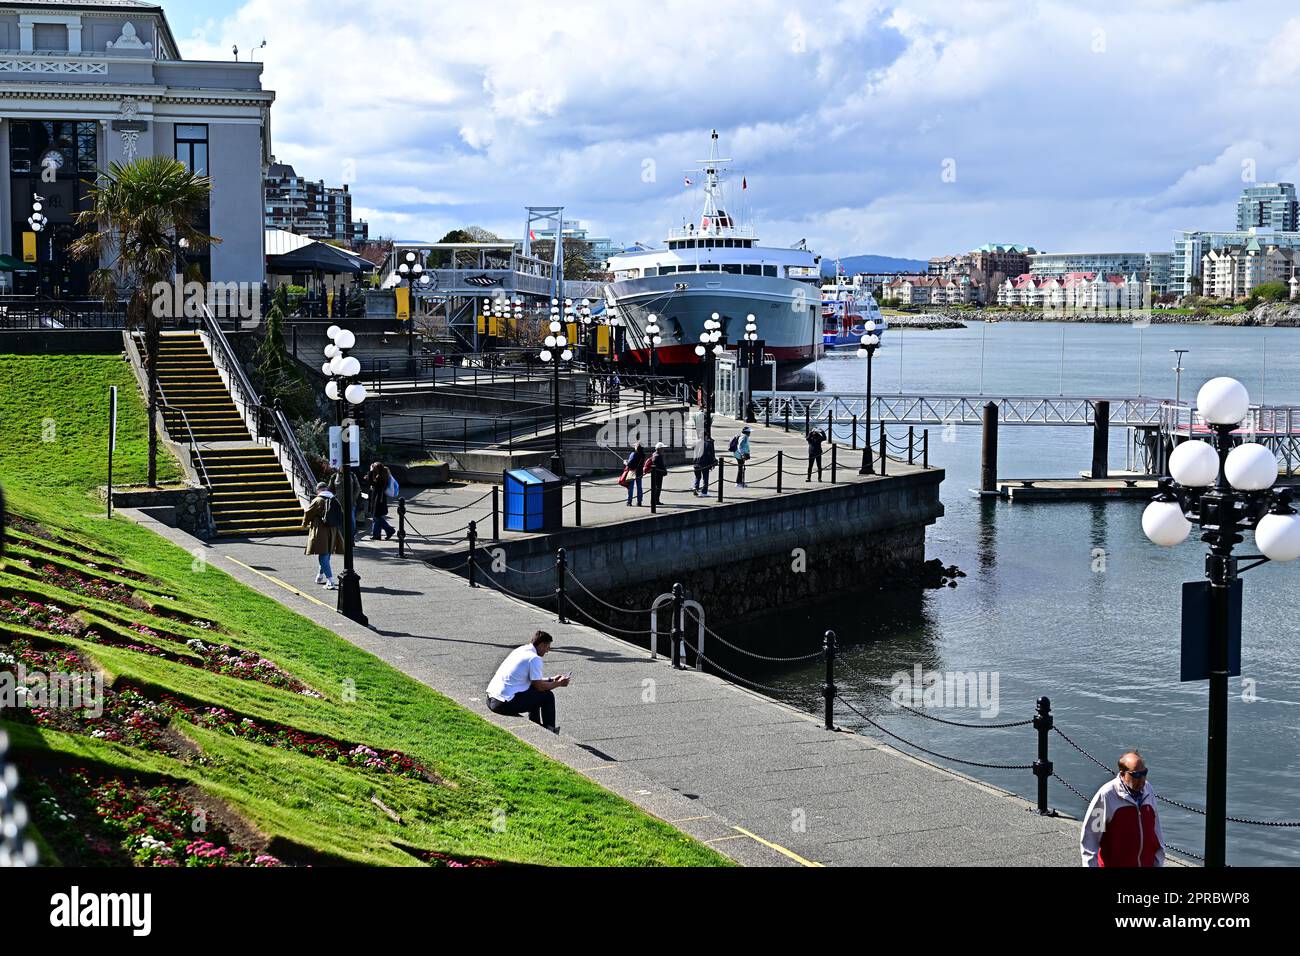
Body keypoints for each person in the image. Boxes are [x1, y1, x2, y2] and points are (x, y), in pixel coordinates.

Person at [1080, 751, 1166, 867]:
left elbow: (1155, 830)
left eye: (1144, 773)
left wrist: (1158, 862)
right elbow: (1091, 836)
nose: (1142, 779)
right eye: (1136, 775)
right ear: (1123, 774)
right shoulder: (1106, 796)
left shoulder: (1148, 790)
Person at [485, 631, 569, 732]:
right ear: (542, 645)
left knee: (534, 692)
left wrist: (551, 679)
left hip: (491, 698)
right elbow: (539, 687)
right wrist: (559, 683)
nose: (548, 651)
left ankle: (536, 725)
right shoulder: (534, 658)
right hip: (502, 704)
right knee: (547, 696)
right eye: (548, 647)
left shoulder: (521, 650)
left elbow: (531, 680)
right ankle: (550, 730)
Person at [302, 481, 344, 590]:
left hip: (321, 531)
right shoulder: (334, 499)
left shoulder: (317, 500)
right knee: (327, 554)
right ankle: (320, 576)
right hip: (333, 531)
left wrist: (304, 524)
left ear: (318, 490)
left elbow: (308, 513)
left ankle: (330, 581)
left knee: (323, 556)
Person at [326, 467, 362, 540]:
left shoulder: (352, 475)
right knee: (340, 522)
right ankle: (343, 540)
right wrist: (335, 497)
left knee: (352, 522)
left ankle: (351, 539)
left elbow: (357, 488)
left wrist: (353, 498)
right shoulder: (334, 476)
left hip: (351, 504)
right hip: (338, 504)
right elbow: (330, 489)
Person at [368, 461, 397, 540]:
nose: (372, 468)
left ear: (377, 468)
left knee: (377, 517)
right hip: (377, 498)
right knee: (375, 517)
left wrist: (370, 472)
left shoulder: (381, 477)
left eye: (373, 467)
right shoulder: (380, 475)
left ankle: (390, 530)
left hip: (379, 499)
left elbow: (372, 483)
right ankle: (376, 534)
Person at [693, 431, 717, 497]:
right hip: (705, 463)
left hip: (696, 463)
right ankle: (704, 492)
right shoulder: (708, 443)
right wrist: (712, 463)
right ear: (705, 436)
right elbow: (711, 455)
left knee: (697, 477)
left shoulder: (695, 443)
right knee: (705, 478)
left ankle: (695, 488)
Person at [624, 441, 646, 507]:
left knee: (631, 487)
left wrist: (625, 462)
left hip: (632, 472)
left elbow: (629, 464)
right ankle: (639, 502)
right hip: (639, 472)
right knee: (639, 487)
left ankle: (629, 501)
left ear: (637, 447)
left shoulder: (633, 454)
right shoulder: (643, 455)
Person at [648, 441, 669, 508]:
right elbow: (660, 466)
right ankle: (656, 500)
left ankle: (654, 500)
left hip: (656, 473)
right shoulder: (658, 456)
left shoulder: (654, 454)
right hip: (658, 474)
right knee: (657, 487)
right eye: (662, 448)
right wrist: (664, 471)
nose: (663, 450)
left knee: (655, 487)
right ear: (659, 449)